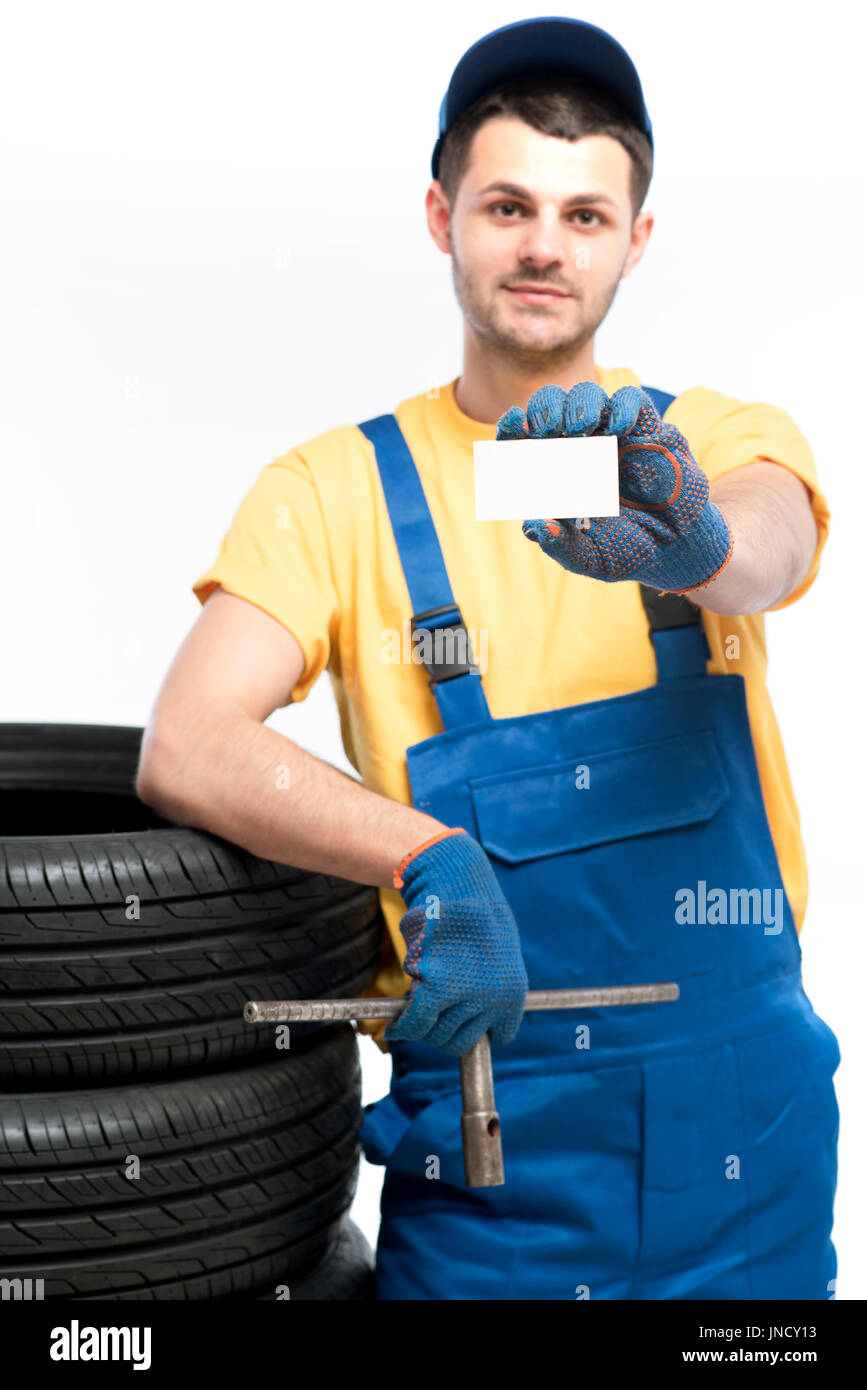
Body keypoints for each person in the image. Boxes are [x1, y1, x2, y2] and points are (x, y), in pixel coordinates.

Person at [136, 16, 840, 1300]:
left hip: (749, 1157)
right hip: (496, 1171)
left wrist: (687, 540)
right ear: (440, 213)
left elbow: (770, 550)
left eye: (584, 215)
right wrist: (424, 853)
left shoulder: (707, 438)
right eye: (508, 204)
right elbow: (188, 743)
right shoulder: (333, 492)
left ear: (637, 238)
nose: (540, 247)